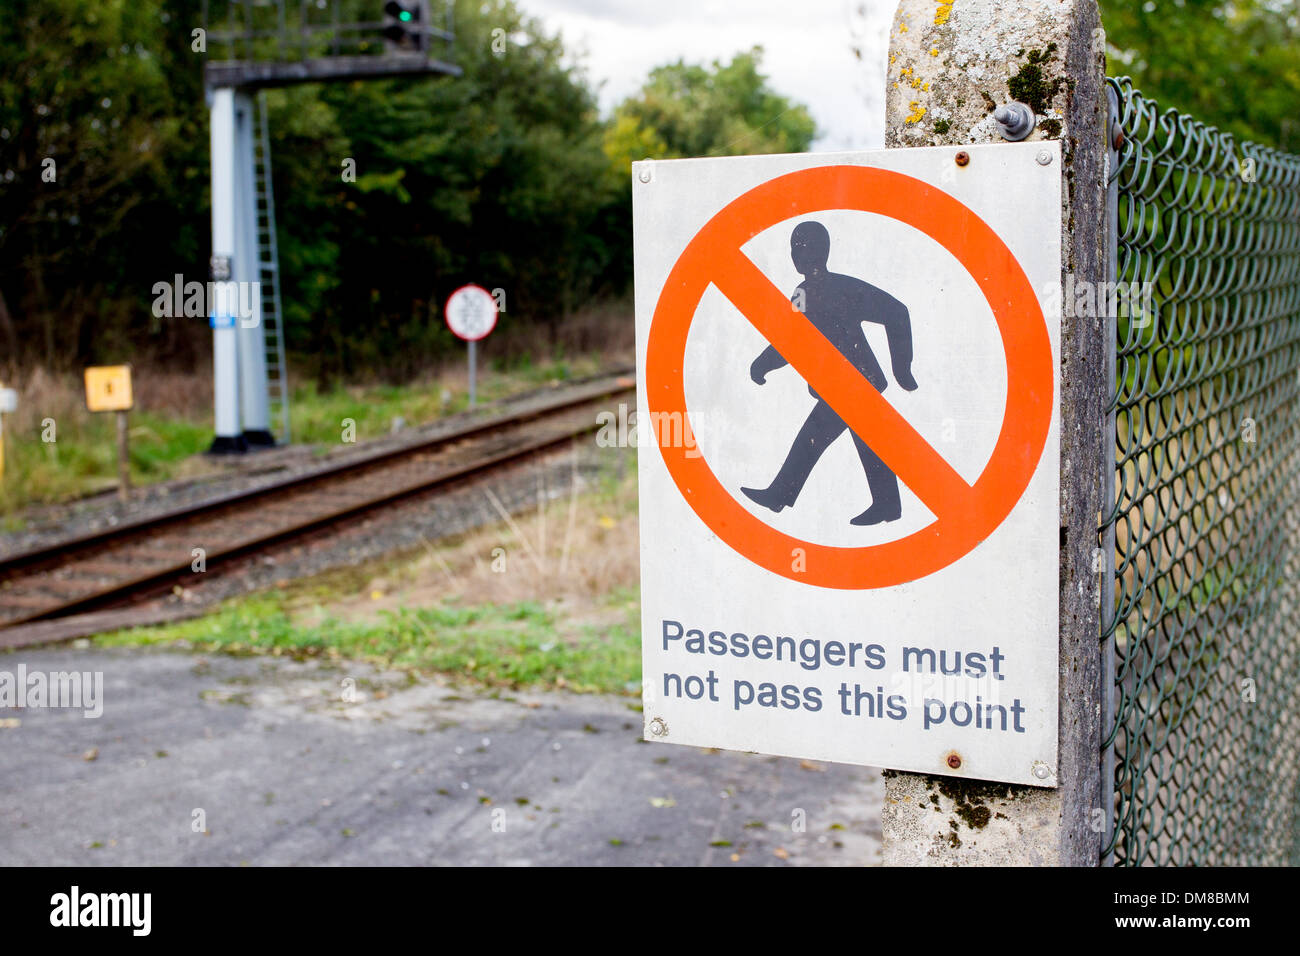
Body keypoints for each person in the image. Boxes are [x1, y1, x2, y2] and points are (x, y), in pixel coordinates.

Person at [741, 220, 917, 526]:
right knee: (867, 442)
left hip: (856, 384)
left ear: (821, 251)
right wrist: (763, 364)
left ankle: (780, 495)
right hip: (839, 386)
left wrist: (903, 369)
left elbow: (896, 312)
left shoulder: (842, 287)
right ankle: (887, 505)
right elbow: (791, 339)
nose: (796, 254)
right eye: (793, 247)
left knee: (814, 437)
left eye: (803, 246)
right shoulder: (803, 292)